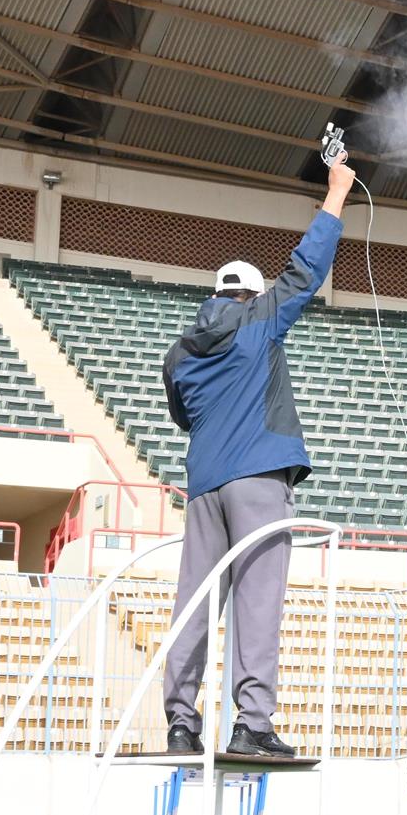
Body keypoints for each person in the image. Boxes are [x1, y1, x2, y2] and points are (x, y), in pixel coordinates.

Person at [162, 161, 356, 758]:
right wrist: (338, 192)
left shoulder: (180, 353)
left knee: (195, 600)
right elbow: (305, 270)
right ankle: (253, 722)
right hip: (257, 480)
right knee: (257, 599)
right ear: (248, 293)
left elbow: (183, 418)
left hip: (202, 488)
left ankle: (178, 720)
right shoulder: (258, 321)